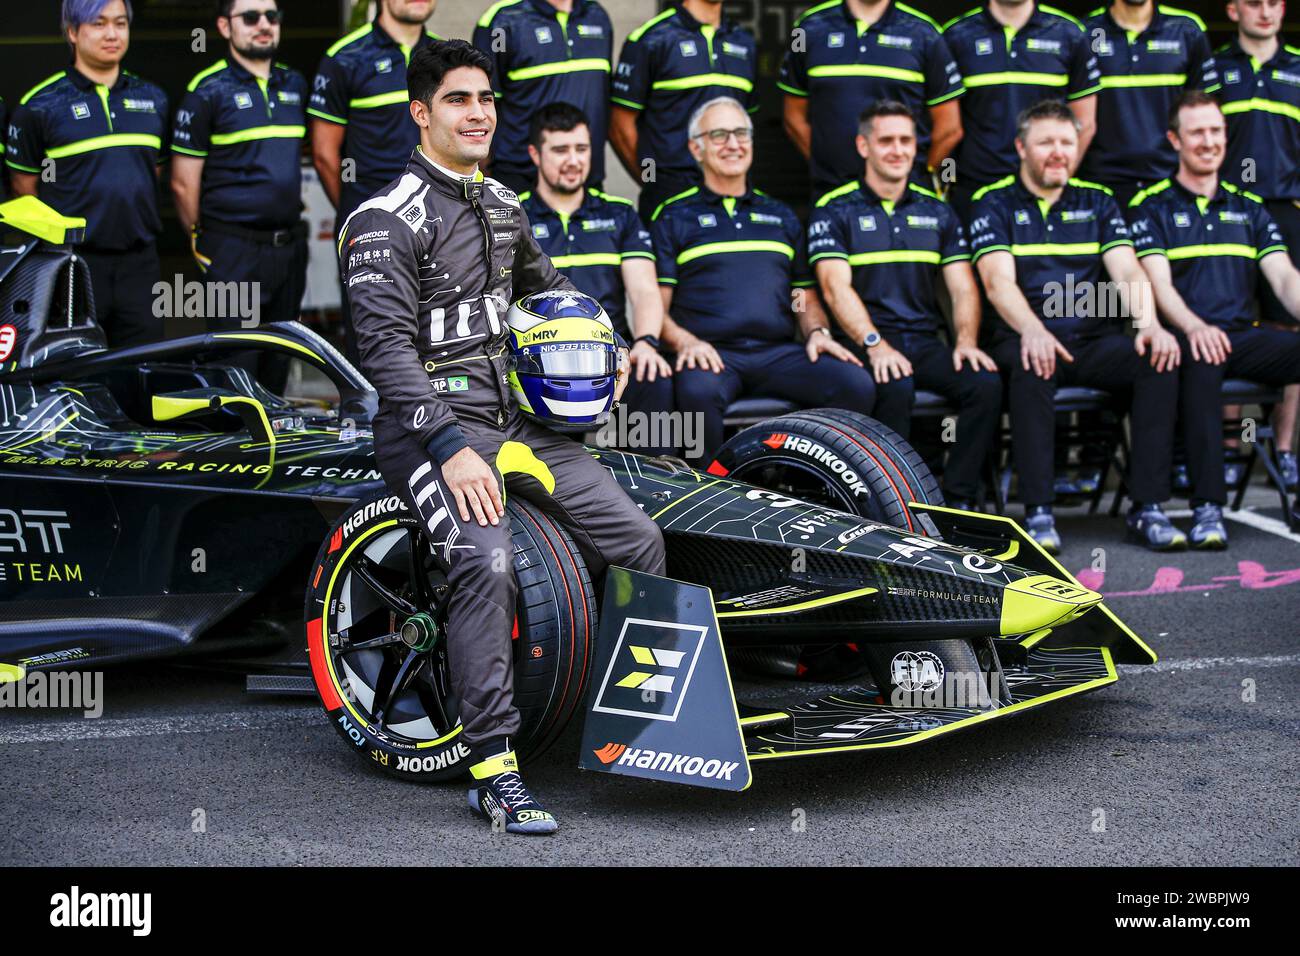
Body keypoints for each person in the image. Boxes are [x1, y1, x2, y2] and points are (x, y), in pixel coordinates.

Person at [338, 40, 666, 834]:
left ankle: (630, 723)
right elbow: (385, 354)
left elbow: (551, 293)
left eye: (485, 98)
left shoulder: (501, 207)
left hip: (520, 426)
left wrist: (605, 347)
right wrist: (449, 446)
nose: (478, 112)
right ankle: (493, 769)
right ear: (422, 113)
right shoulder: (382, 222)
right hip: (426, 433)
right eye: (458, 100)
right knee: (483, 561)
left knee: (642, 542)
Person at [971, 100, 1183, 553]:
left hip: (1091, 341)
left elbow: (1127, 272)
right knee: (1034, 363)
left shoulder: (1099, 201)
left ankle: (1147, 507)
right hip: (1022, 336)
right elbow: (997, 282)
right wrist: (1032, 329)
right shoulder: (994, 203)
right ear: (1021, 147)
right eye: (1046, 142)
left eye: (1066, 142)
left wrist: (1148, 324)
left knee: (1158, 361)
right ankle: (1039, 511)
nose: (1058, 152)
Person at [651, 96, 882, 463]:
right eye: (720, 135)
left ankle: (808, 489)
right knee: (696, 393)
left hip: (777, 352)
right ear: (696, 148)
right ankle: (709, 503)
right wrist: (685, 343)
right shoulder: (674, 216)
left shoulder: (781, 215)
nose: (733, 144)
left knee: (854, 384)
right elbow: (654, 306)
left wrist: (816, 332)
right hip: (712, 354)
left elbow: (801, 294)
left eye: (742, 133)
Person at [811, 101, 1001, 508]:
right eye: (886, 141)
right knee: (895, 386)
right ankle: (896, 506)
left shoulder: (937, 210)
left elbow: (964, 288)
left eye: (905, 141)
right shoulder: (834, 209)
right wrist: (874, 344)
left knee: (983, 384)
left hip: (923, 341)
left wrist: (966, 341)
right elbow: (833, 287)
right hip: (865, 345)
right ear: (863, 146)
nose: (897, 150)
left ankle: (959, 501)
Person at [1130, 92, 1300, 543]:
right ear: (1175, 140)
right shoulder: (1151, 205)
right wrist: (1193, 327)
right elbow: (1157, 284)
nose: (1209, 141)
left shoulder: (1249, 207)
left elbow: (1283, 278)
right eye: (1197, 132)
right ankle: (1207, 507)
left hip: (1243, 335)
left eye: (1216, 131)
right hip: (1187, 334)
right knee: (1202, 359)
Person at [6, 0, 167, 347]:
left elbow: (152, 173)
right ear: (72, 32)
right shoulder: (39, 106)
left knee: (143, 369)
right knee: (79, 373)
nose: (112, 34)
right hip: (73, 266)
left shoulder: (153, 99)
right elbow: (25, 187)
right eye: (98, 23)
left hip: (140, 265)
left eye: (120, 23)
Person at [520, 103, 675, 453]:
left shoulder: (619, 215)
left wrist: (647, 342)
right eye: (560, 150)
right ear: (535, 154)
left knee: (655, 377)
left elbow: (645, 290)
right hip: (542, 356)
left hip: (613, 352)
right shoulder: (516, 216)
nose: (573, 160)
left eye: (582, 149)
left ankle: (647, 487)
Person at [171, 0, 308, 391]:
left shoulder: (294, 84)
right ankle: (234, 449)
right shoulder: (207, 91)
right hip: (232, 249)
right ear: (224, 26)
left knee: (281, 356)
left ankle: (278, 448)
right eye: (250, 17)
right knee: (234, 362)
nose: (263, 24)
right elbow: (182, 182)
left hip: (288, 247)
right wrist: (205, 242)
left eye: (272, 16)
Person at [309, 0, 440, 360]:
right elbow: (324, 154)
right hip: (373, 234)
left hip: (439, 228)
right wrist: (362, 215)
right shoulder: (345, 57)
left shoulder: (447, 58)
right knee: (372, 345)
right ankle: (366, 418)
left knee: (438, 341)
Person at [1217, 0, 1300, 490]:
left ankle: (1284, 450)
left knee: (1289, 329)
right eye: (1254, 2)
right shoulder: (1213, 69)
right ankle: (1229, 447)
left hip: (1287, 212)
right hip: (1225, 212)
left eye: (1273, 2)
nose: (1265, 11)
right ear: (1233, 10)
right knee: (1229, 322)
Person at [779, 0, 964, 200]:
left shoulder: (925, 33)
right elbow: (793, 117)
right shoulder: (806, 29)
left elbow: (949, 129)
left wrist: (909, 173)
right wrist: (825, 168)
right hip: (831, 193)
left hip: (904, 198)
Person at [941, 0, 1100, 222]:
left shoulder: (1069, 33)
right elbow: (945, 127)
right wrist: (947, 179)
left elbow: (1084, 124)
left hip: (1043, 192)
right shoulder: (955, 36)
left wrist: (1052, 178)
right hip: (975, 189)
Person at [610, 0, 758, 223]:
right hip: (669, 195)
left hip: (731, 197)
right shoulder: (649, 39)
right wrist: (653, 182)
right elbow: (619, 125)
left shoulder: (745, 43)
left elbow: (746, 121)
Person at [1079, 1, 1218, 212]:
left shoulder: (1186, 29)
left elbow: (1203, 114)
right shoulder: (1084, 31)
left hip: (1171, 183)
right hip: (1101, 185)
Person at [473, 0, 614, 195]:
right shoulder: (502, 20)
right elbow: (479, 111)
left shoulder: (598, 16)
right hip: (518, 180)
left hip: (584, 179)